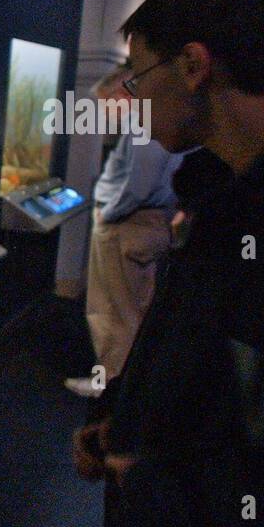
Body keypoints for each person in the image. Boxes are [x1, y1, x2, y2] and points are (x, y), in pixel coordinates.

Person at [73, 0, 264, 527]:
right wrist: (124, 416)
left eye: (140, 76)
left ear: (195, 66)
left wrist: (162, 483)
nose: (134, 97)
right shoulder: (221, 190)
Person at [65, 67, 182, 399]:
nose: (105, 115)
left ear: (122, 94)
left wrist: (109, 211)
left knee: (111, 313)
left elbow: (139, 184)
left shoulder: (143, 125)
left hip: (126, 226)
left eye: (106, 105)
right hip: (148, 224)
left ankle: (110, 387)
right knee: (133, 309)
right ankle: (125, 387)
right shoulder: (160, 124)